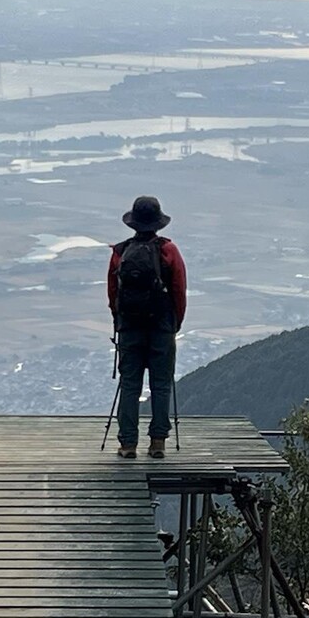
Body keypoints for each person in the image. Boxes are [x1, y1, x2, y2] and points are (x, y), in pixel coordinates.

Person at [107, 195, 187, 459]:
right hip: (162, 327)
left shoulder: (120, 253)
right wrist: (175, 322)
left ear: (133, 223)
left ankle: (128, 443)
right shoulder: (169, 251)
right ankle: (158, 443)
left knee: (130, 384)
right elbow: (179, 290)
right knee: (161, 384)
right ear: (158, 223)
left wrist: (120, 320)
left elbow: (112, 293)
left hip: (130, 327)